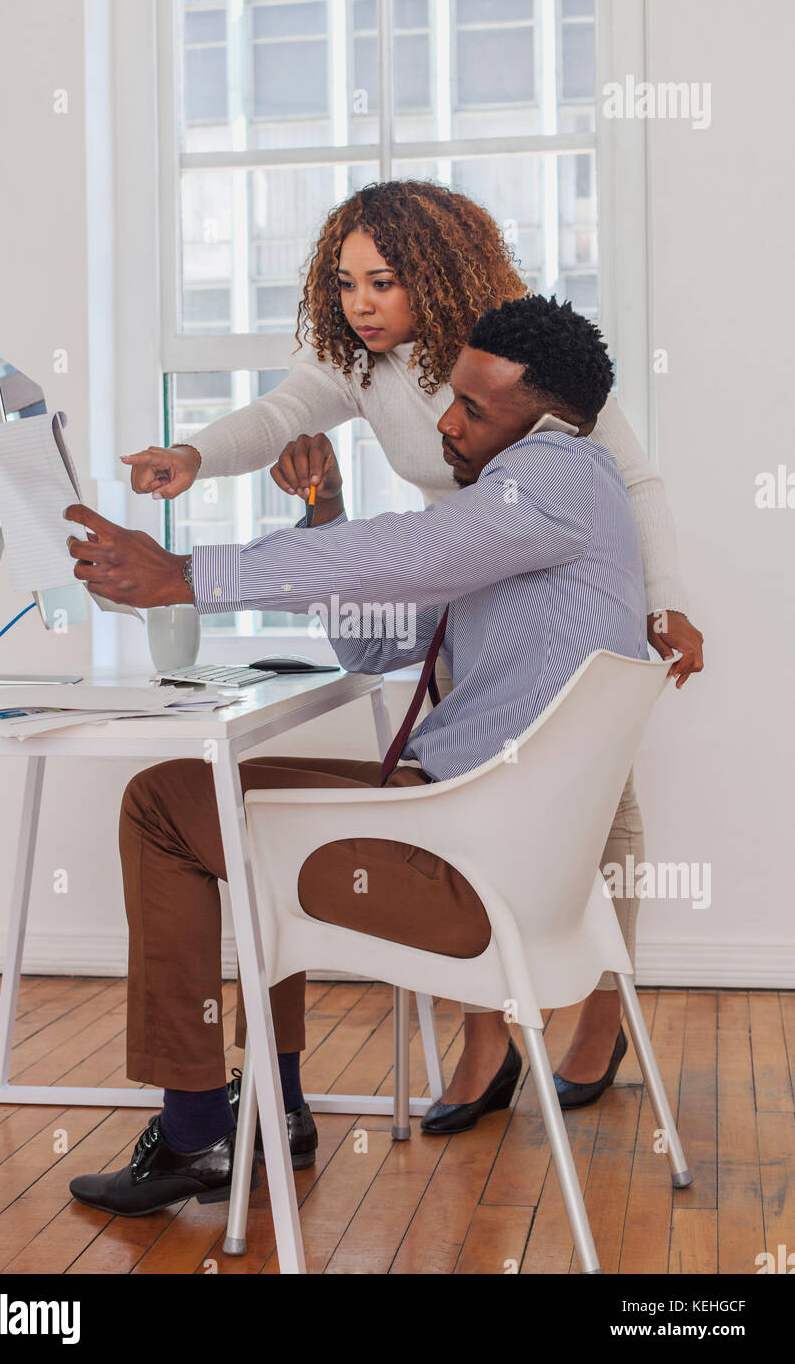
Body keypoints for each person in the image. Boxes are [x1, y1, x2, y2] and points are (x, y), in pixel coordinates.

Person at [123, 182, 703, 1115]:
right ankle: (392, 1072)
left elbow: (609, 479)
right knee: (471, 769)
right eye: (346, 282)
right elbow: (357, 586)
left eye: (382, 281)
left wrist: (197, 572)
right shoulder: (382, 384)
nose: (360, 302)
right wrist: (217, 465)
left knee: (574, 796)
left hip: (494, 579)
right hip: (469, 581)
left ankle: (588, 1021)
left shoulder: (553, 448)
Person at [68, 294, 649, 1213]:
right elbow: (381, 642)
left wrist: (190, 574)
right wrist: (326, 518)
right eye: (450, 399)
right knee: (202, 797)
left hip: (473, 879)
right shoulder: (524, 504)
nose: (446, 426)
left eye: (473, 410)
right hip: (495, 851)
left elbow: (410, 547)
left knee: (166, 806)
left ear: (544, 424)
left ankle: (197, 1133)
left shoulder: (557, 476)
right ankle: (276, 1110)